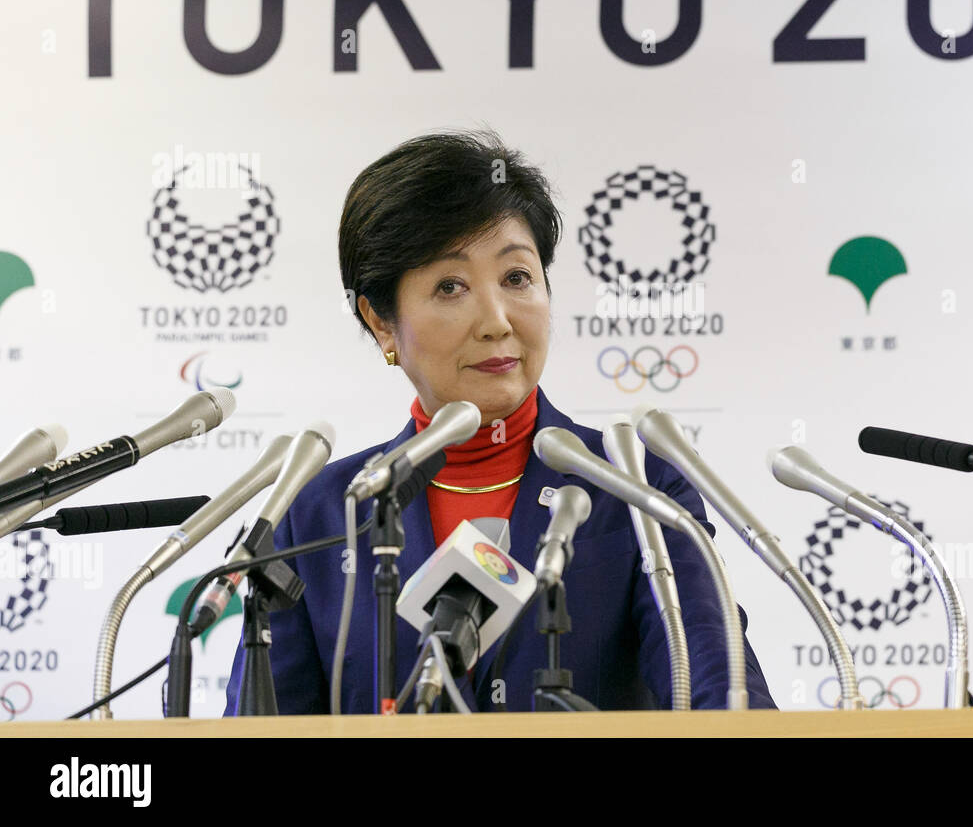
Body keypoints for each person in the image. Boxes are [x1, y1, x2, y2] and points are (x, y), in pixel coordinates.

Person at [222, 128, 774, 714]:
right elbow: (262, 725)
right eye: (450, 286)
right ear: (382, 322)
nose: (496, 321)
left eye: (516, 278)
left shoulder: (634, 484)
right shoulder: (318, 513)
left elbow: (724, 696)